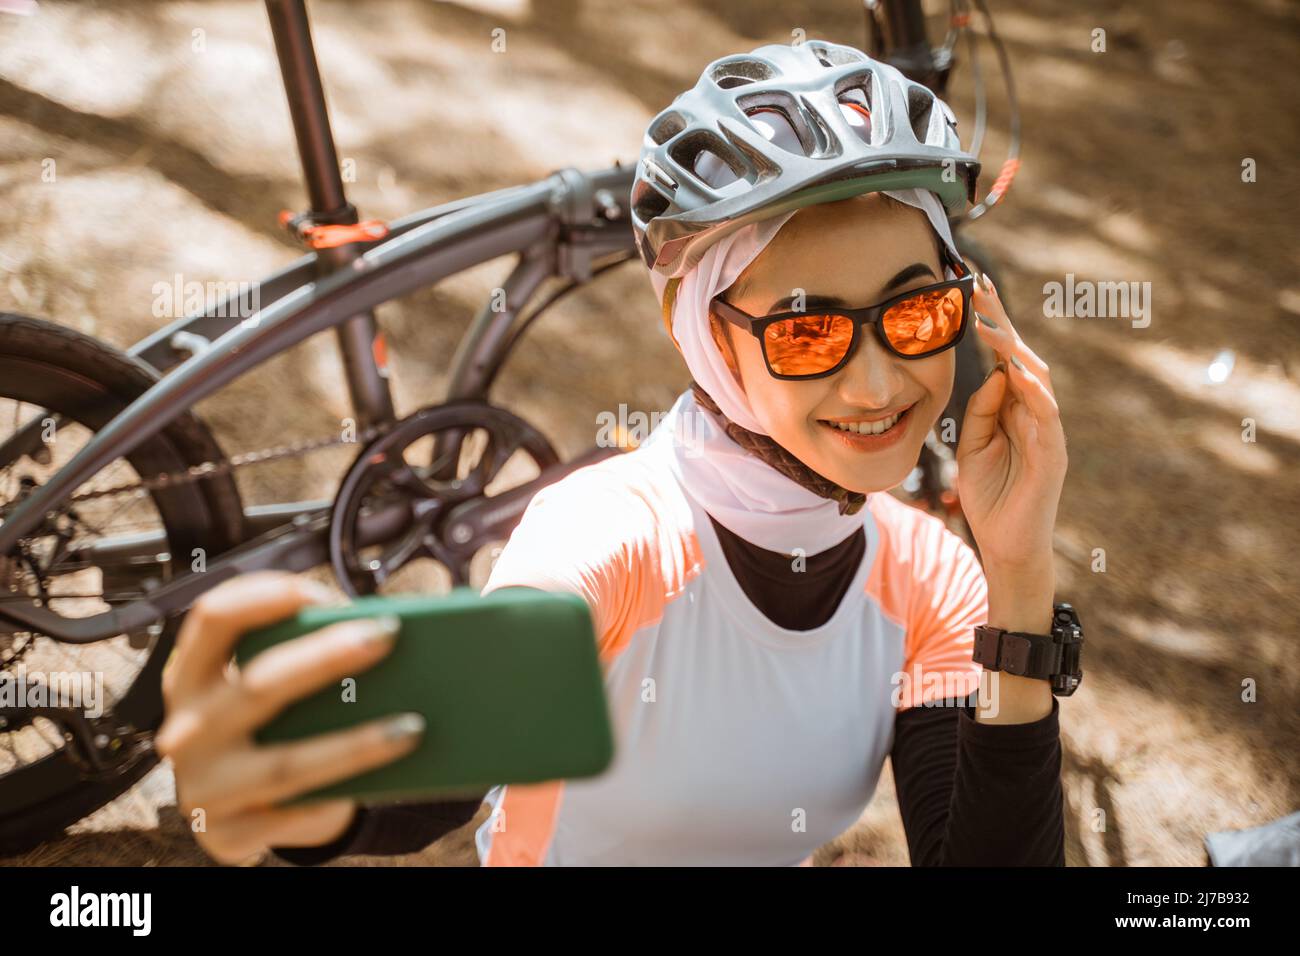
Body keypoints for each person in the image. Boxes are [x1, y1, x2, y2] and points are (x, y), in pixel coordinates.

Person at [156, 39, 1069, 867]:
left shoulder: (935, 581)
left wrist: (1019, 572)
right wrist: (299, 793)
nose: (877, 386)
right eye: (806, 332)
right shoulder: (614, 535)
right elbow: (450, 755)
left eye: (916, 314)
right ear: (705, 338)